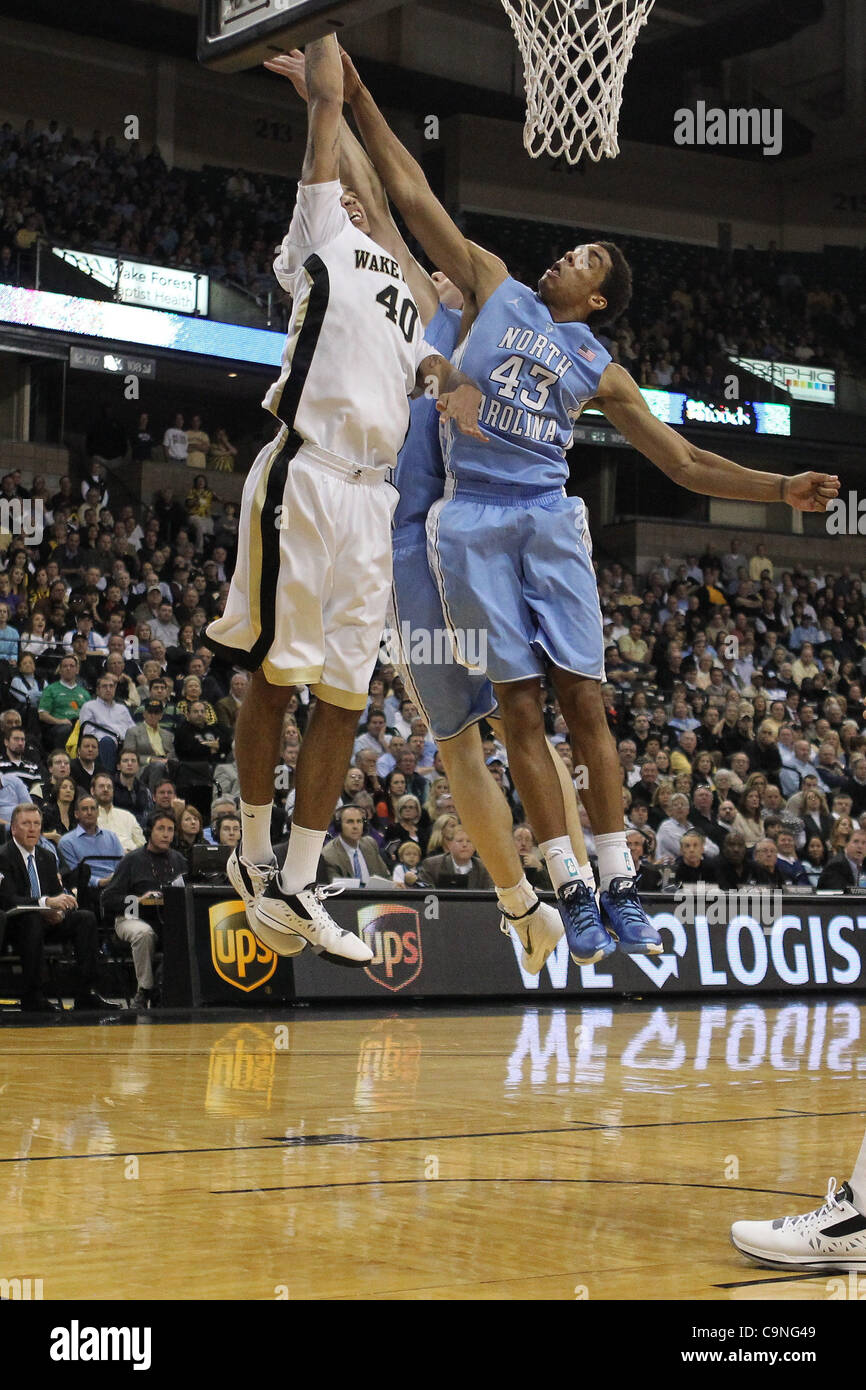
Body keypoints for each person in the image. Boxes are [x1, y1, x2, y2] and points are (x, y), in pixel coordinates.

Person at [342, 44, 839, 965]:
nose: (563, 256)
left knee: (588, 705)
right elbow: (412, 197)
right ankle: (566, 885)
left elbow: (685, 462)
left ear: (596, 295)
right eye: (569, 248)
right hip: (471, 521)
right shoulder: (492, 284)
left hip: (548, 517)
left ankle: (619, 880)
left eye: (583, 258)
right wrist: (360, 95)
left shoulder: (598, 368)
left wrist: (780, 490)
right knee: (519, 712)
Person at [269, 47, 577, 972]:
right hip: (391, 536)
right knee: (456, 739)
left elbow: (390, 196)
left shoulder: (464, 309)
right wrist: (329, 97)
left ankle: (574, 883)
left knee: (517, 715)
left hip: (453, 532)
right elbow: (368, 188)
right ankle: (521, 904)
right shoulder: (394, 286)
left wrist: (343, 98)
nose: (438, 271)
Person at [203, 37, 484, 968]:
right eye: (347, 188)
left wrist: (446, 372)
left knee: (344, 699)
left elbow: (423, 355)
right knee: (280, 677)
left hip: (375, 502)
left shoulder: (407, 285)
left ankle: (300, 875)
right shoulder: (319, 238)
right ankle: (249, 853)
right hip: (308, 474)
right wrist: (325, 61)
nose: (356, 192)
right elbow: (330, 130)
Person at [0, 802, 118, 1012]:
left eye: (36, 823)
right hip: (14, 924)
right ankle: (33, 996)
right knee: (32, 919)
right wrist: (45, 904)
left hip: (46, 921)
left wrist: (60, 911)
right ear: (14, 829)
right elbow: (9, 899)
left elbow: (56, 894)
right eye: (26, 823)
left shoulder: (46, 857)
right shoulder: (3, 856)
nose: (32, 828)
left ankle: (86, 993)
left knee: (85, 918)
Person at [102, 810, 188, 1010]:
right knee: (144, 933)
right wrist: (138, 900)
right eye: (161, 829)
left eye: (170, 830)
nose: (166, 834)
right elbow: (109, 899)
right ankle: (145, 989)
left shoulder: (179, 860)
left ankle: (172, 989)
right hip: (130, 918)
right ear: (150, 832)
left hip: (167, 920)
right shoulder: (131, 860)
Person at [321, 806, 390, 884]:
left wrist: (395, 885)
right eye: (350, 822)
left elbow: (385, 877)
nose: (355, 826)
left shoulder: (370, 844)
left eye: (359, 821)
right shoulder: (329, 854)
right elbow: (335, 889)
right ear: (339, 826)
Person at [37, 654, 90, 750]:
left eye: (72, 666)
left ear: (77, 670)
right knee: (66, 729)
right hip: (59, 727)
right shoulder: (51, 689)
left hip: (80, 727)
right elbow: (42, 714)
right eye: (65, 666)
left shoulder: (85, 693)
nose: (68, 668)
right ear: (60, 670)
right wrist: (60, 721)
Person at [421, 826, 494, 890]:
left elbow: (492, 892)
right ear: (449, 845)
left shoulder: (485, 867)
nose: (465, 845)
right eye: (460, 841)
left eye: (469, 841)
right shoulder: (432, 865)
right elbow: (425, 893)